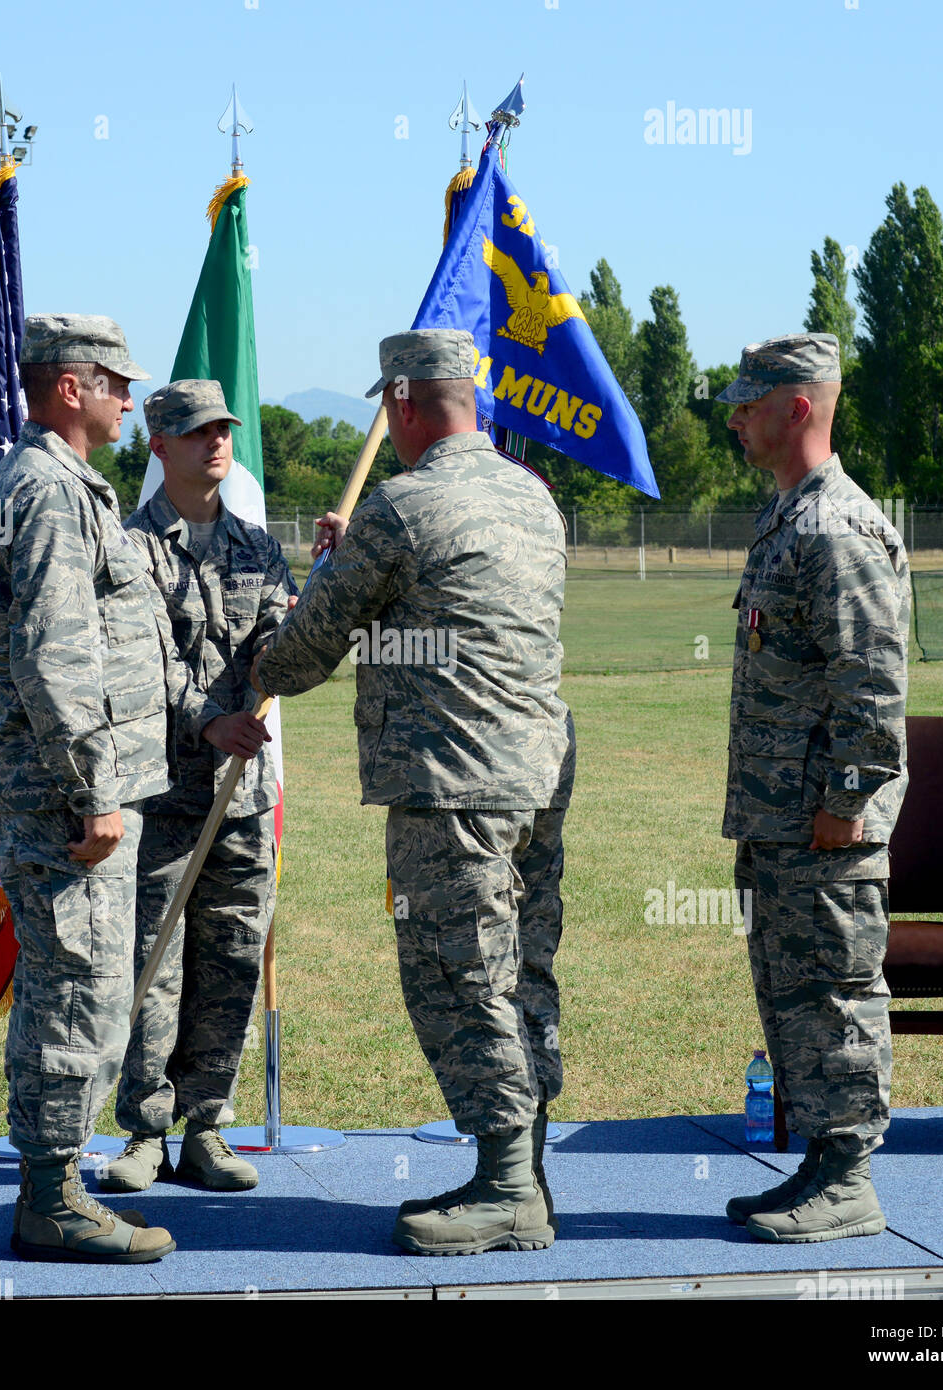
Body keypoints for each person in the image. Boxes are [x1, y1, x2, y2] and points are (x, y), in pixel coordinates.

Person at [250, 329, 575, 1257]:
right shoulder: (533, 499)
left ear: (401, 403)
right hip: (537, 771)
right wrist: (366, 566)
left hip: (453, 780)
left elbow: (307, 652)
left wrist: (265, 646)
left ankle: (508, 1188)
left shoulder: (401, 506)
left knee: (458, 970)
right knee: (521, 969)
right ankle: (523, 1165)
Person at [0, 313, 192, 1263]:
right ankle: (52, 1201)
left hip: (79, 789)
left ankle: (49, 1187)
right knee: (77, 991)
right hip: (67, 799)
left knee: (82, 987)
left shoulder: (66, 486)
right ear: (72, 386)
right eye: (118, 383)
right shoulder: (51, 492)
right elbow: (54, 658)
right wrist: (96, 788)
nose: (133, 400)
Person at [717, 332, 910, 1242]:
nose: (735, 415)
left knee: (835, 989)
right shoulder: (789, 516)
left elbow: (872, 685)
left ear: (800, 406)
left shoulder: (840, 527)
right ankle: (819, 1165)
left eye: (750, 401)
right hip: (781, 820)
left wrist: (842, 804)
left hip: (826, 825)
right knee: (793, 993)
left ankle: (849, 1179)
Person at [98, 380, 295, 1195]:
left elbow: (282, 643)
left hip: (242, 797)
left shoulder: (258, 546)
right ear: (159, 446)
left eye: (222, 429)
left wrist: (297, 632)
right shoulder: (130, 547)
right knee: (156, 962)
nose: (216, 443)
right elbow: (136, 659)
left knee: (232, 961)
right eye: (196, 431)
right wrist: (207, 718)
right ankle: (146, 1130)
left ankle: (207, 1127)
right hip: (162, 797)